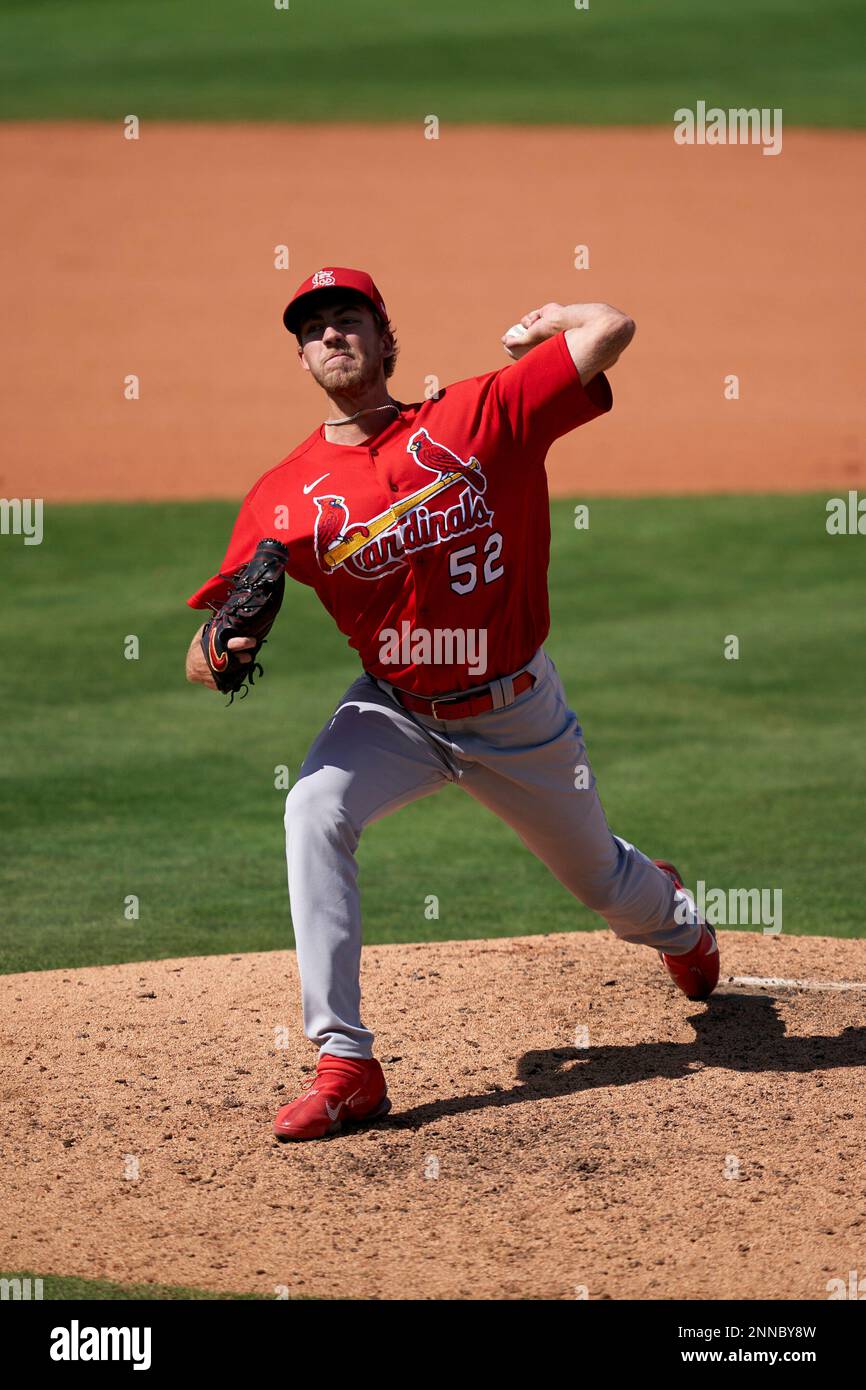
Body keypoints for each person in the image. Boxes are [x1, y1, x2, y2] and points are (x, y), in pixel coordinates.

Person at [185, 266, 719, 1142]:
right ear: (300, 355)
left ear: (383, 337)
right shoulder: (280, 498)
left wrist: (552, 322)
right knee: (312, 806)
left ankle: (679, 923)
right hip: (395, 712)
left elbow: (612, 328)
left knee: (606, 886)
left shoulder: (479, 415)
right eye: (313, 326)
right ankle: (346, 1064)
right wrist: (215, 652)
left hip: (516, 711)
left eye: (347, 318)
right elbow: (201, 656)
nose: (331, 335)